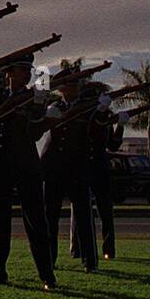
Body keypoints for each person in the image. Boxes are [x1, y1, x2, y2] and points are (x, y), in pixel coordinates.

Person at [0, 55, 57, 290]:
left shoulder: (34, 98)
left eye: (28, 71)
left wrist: (39, 106)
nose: (26, 75)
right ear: (9, 73)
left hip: (26, 162)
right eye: (21, 70)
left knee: (36, 219)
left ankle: (47, 274)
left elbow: (35, 132)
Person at [41, 71, 112, 274]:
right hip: (53, 168)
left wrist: (101, 113)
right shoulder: (55, 107)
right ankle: (49, 259)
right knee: (50, 217)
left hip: (77, 167)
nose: (72, 88)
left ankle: (90, 262)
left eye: (75, 84)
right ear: (61, 88)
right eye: (68, 85)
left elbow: (98, 138)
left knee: (84, 217)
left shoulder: (88, 108)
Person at [71, 82, 129, 261]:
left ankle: (108, 249)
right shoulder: (79, 115)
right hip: (81, 165)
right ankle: (78, 248)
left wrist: (120, 125)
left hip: (100, 165)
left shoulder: (104, 117)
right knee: (80, 209)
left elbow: (112, 144)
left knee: (106, 210)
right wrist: (100, 113)